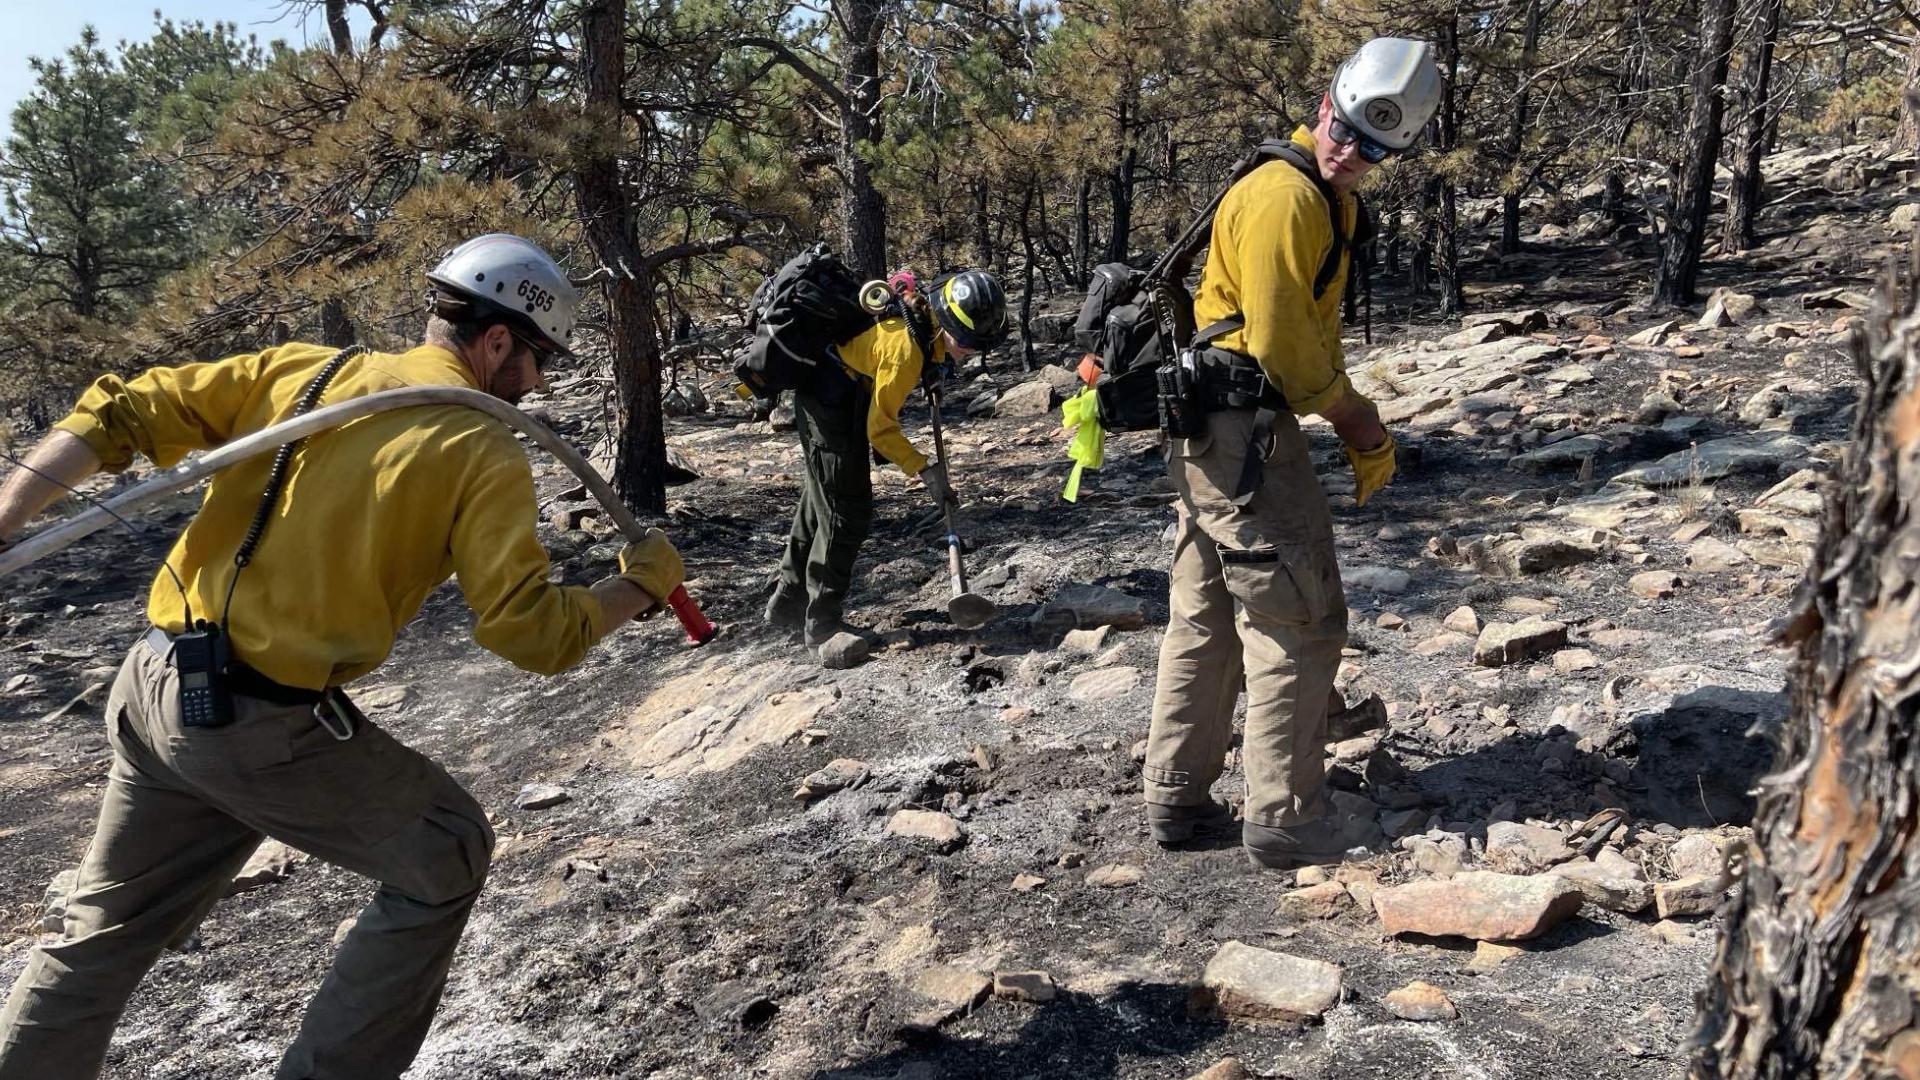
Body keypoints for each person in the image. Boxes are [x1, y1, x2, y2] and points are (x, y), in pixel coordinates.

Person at [0, 233, 686, 1080]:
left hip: (153, 687)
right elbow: (533, 635)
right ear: (499, 340)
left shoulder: (307, 372)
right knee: (449, 849)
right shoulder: (479, 446)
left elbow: (116, 413)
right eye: (538, 356)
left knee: (98, 939)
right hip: (255, 724)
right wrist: (641, 586)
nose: (539, 380)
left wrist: (3, 519)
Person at [1141, 39, 1443, 869]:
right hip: (1246, 436)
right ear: (1324, 106)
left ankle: (1178, 796)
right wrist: (1359, 424)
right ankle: (1288, 816)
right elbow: (1282, 344)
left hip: (1218, 435)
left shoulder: (1320, 194)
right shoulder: (1286, 197)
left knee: (1206, 616)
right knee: (1301, 617)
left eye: (1375, 147)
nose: (1352, 153)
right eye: (1345, 131)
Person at [766, 269, 1008, 647]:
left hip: (844, 387)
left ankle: (787, 605)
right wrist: (926, 470)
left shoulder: (924, 323)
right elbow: (880, 430)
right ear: (948, 324)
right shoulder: (905, 351)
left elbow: (911, 355)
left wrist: (935, 369)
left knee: (821, 501)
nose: (972, 352)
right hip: (830, 399)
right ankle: (823, 625)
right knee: (847, 511)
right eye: (968, 343)